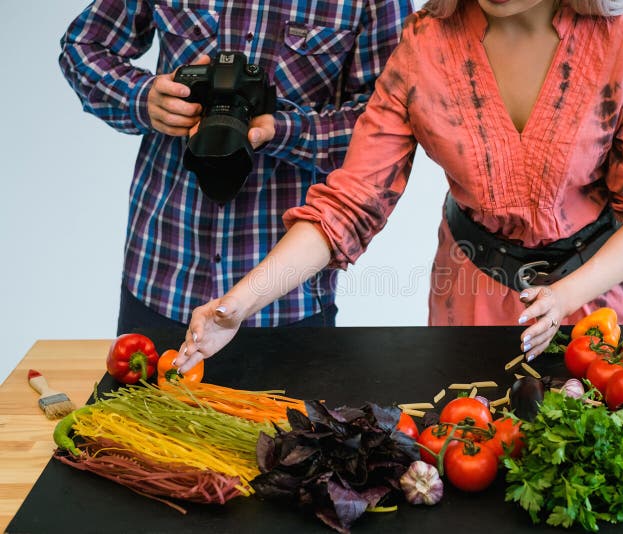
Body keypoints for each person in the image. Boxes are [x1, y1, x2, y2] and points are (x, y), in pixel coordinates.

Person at [174, 0, 623, 373]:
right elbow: (349, 205)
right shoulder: (425, 45)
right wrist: (238, 304)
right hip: (469, 301)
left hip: (595, 300)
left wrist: (565, 294)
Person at [59, 0, 413, 334]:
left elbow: (388, 126)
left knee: (298, 403)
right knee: (136, 401)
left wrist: (282, 129)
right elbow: (83, 47)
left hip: (287, 296)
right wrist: (144, 97)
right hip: (161, 269)